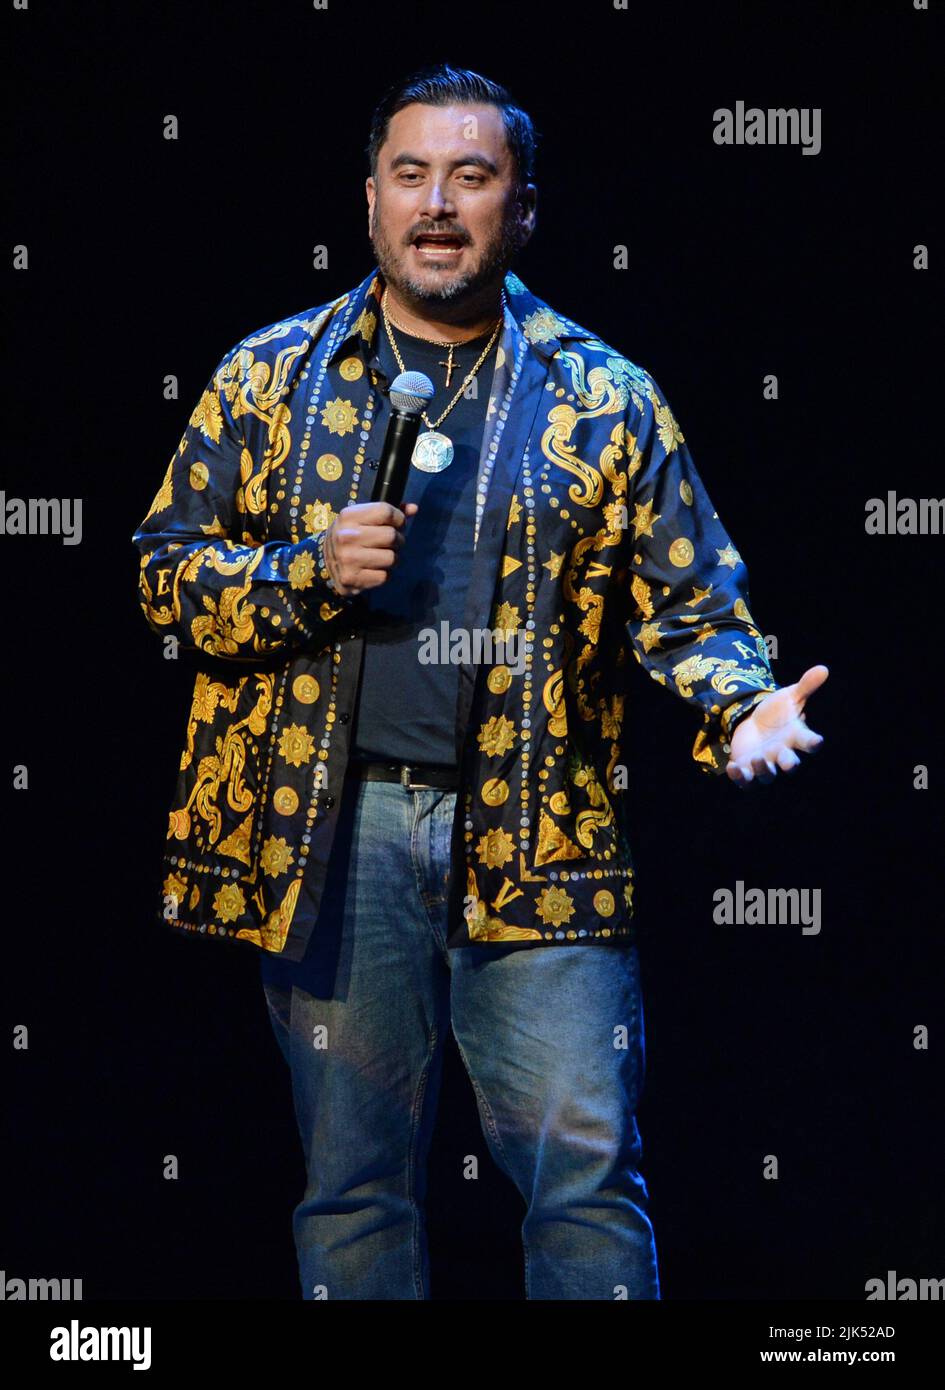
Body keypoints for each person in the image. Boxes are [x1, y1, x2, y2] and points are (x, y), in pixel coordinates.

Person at [130, 63, 828, 1300]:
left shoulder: (605, 397)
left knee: (587, 1177)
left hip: (542, 836)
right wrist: (305, 568)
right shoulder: (268, 377)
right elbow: (164, 576)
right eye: (412, 175)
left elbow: (692, 606)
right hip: (334, 841)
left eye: (472, 176)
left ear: (523, 206)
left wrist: (740, 704)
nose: (438, 203)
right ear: (370, 202)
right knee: (351, 1182)